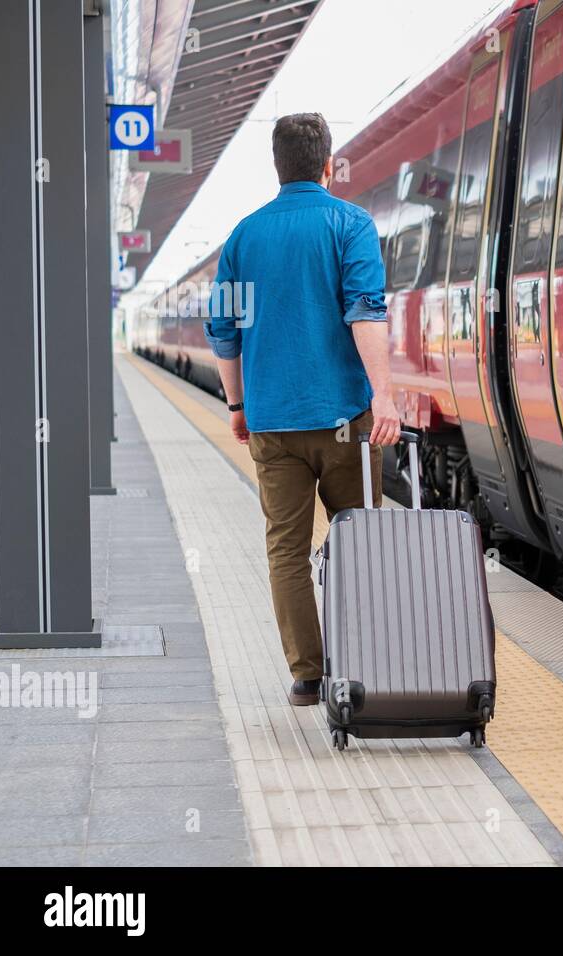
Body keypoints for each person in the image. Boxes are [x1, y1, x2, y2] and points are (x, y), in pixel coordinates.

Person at [203, 113, 399, 706]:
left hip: (272, 424)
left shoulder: (244, 236)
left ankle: (308, 676)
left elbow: (224, 332)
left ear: (277, 167)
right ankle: (361, 663)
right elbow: (364, 312)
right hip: (343, 418)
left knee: (286, 548)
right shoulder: (350, 223)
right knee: (359, 539)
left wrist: (238, 405)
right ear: (327, 166)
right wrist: (384, 396)